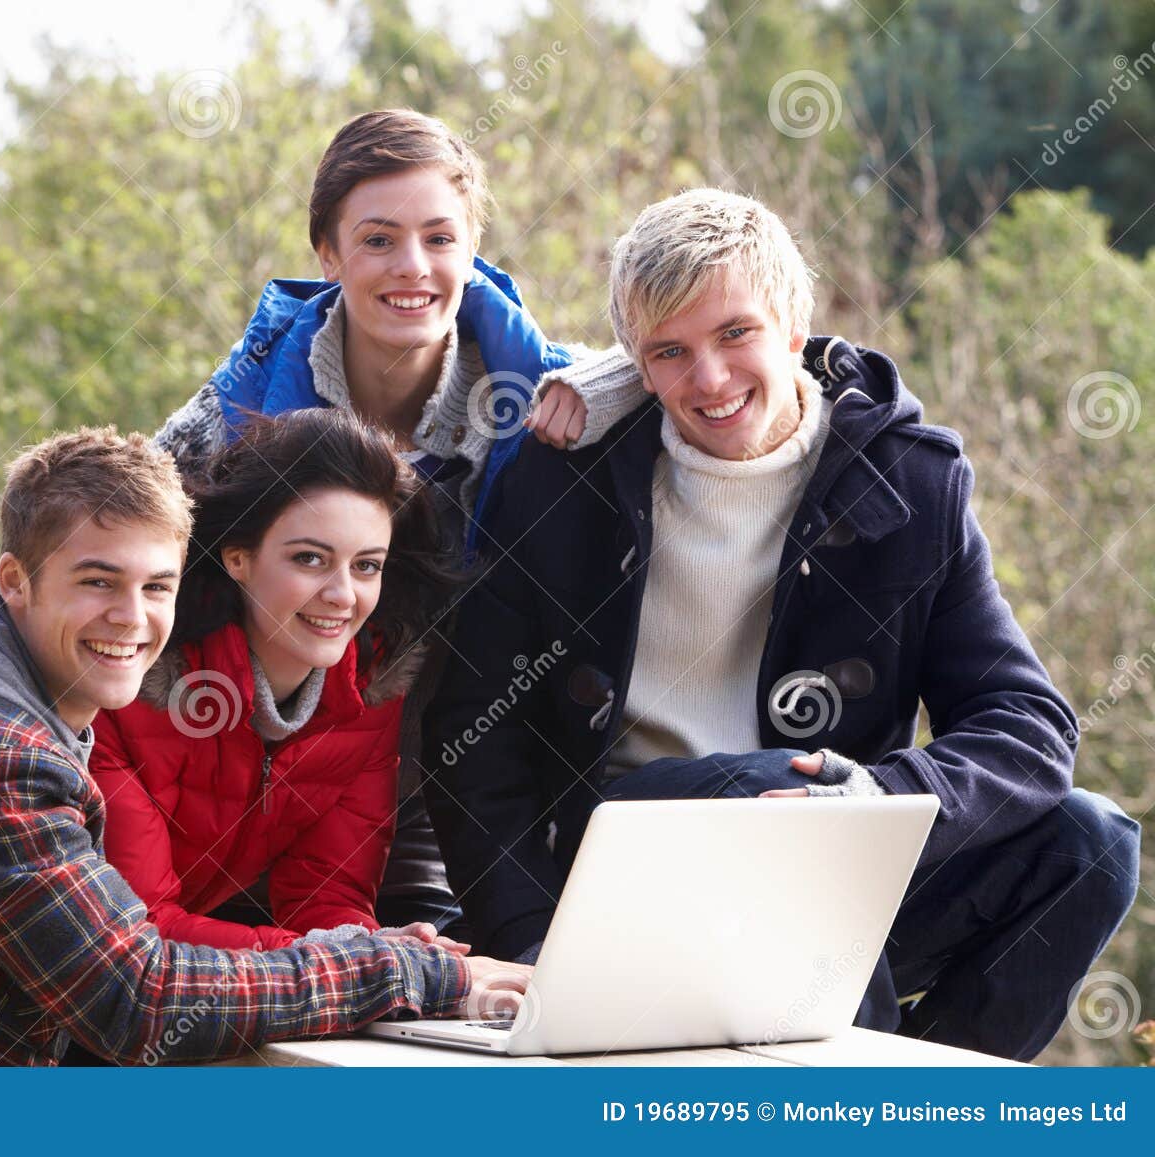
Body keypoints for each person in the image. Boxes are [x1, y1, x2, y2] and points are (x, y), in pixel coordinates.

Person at [423, 187, 1140, 1062]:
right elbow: (471, 736)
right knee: (774, 802)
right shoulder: (563, 481)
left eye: (735, 335)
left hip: (821, 849)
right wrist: (531, 943)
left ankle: (924, 1106)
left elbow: (1026, 725)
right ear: (637, 368)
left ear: (794, 329)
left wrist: (879, 797)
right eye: (671, 353)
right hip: (625, 865)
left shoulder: (909, 484)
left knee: (1091, 841)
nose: (710, 380)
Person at [0, 425, 527, 1066]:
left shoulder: (11, 692)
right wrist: (408, 969)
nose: (132, 618)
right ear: (17, 580)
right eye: (98, 581)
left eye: (156, 586)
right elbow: (138, 998)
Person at [155, 107, 646, 935]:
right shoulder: (236, 414)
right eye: (378, 239)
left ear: (471, 250)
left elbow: (711, 363)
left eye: (440, 238)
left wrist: (608, 385)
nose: (412, 267)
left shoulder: (534, 396)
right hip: (245, 785)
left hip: (439, 786)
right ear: (328, 254)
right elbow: (104, 543)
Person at [94, 409, 461, 951]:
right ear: (238, 557)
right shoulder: (127, 682)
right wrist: (371, 965)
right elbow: (143, 929)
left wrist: (390, 948)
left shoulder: (370, 690)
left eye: (366, 566)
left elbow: (327, 898)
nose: (343, 595)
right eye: (310, 559)